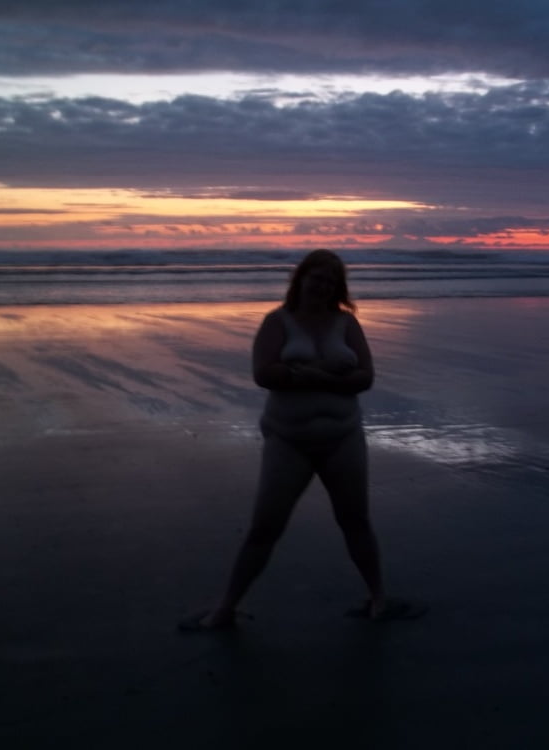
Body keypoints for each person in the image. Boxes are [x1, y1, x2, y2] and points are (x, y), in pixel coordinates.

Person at [180, 249, 423, 630]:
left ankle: (378, 598)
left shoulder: (347, 323)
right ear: (301, 279)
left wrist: (310, 373)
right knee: (265, 526)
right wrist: (329, 373)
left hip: (343, 437)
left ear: (338, 286)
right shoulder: (278, 321)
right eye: (316, 277)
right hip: (288, 439)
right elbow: (264, 374)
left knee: (355, 520)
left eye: (330, 280)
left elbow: (365, 378)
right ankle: (225, 607)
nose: (322, 285)